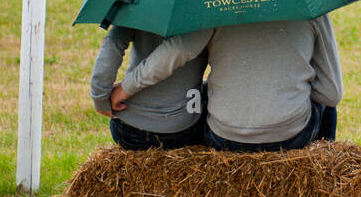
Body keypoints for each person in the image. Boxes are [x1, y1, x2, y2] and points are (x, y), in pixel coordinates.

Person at [113, 18, 342, 151]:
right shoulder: (313, 9)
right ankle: (325, 177)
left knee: (198, 96)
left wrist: (126, 88)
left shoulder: (215, 3)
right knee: (328, 110)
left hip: (223, 137)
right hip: (292, 135)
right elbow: (331, 94)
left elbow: (179, 50)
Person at [91, 27, 207, 149]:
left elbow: (114, 41)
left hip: (130, 129)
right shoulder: (207, 10)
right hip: (185, 127)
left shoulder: (138, 7)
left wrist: (100, 96)